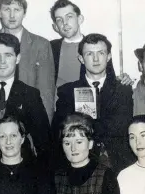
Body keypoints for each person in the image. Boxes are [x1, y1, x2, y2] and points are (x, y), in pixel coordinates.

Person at [0, 33, 51, 176]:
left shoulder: (30, 94)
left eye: (8, 55)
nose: (2, 62)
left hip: (22, 172)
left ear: (17, 58)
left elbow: (44, 143)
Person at [52, 33, 134, 173]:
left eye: (101, 53)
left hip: (117, 164)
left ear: (108, 57)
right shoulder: (67, 91)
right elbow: (59, 130)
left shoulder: (123, 89)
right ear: (81, 59)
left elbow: (120, 126)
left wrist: (82, 126)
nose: (96, 59)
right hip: (78, 163)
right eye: (89, 54)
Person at [0, 0, 56, 122]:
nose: (12, 16)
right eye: (6, 9)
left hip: (29, 122)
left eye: (17, 10)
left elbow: (46, 94)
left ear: (24, 13)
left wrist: (44, 131)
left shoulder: (41, 45)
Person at [49, 0, 86, 89]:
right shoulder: (49, 47)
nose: (65, 23)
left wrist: (123, 79)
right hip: (57, 102)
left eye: (69, 17)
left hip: (85, 102)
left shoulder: (95, 46)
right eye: (59, 20)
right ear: (55, 27)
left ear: (80, 19)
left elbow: (106, 78)